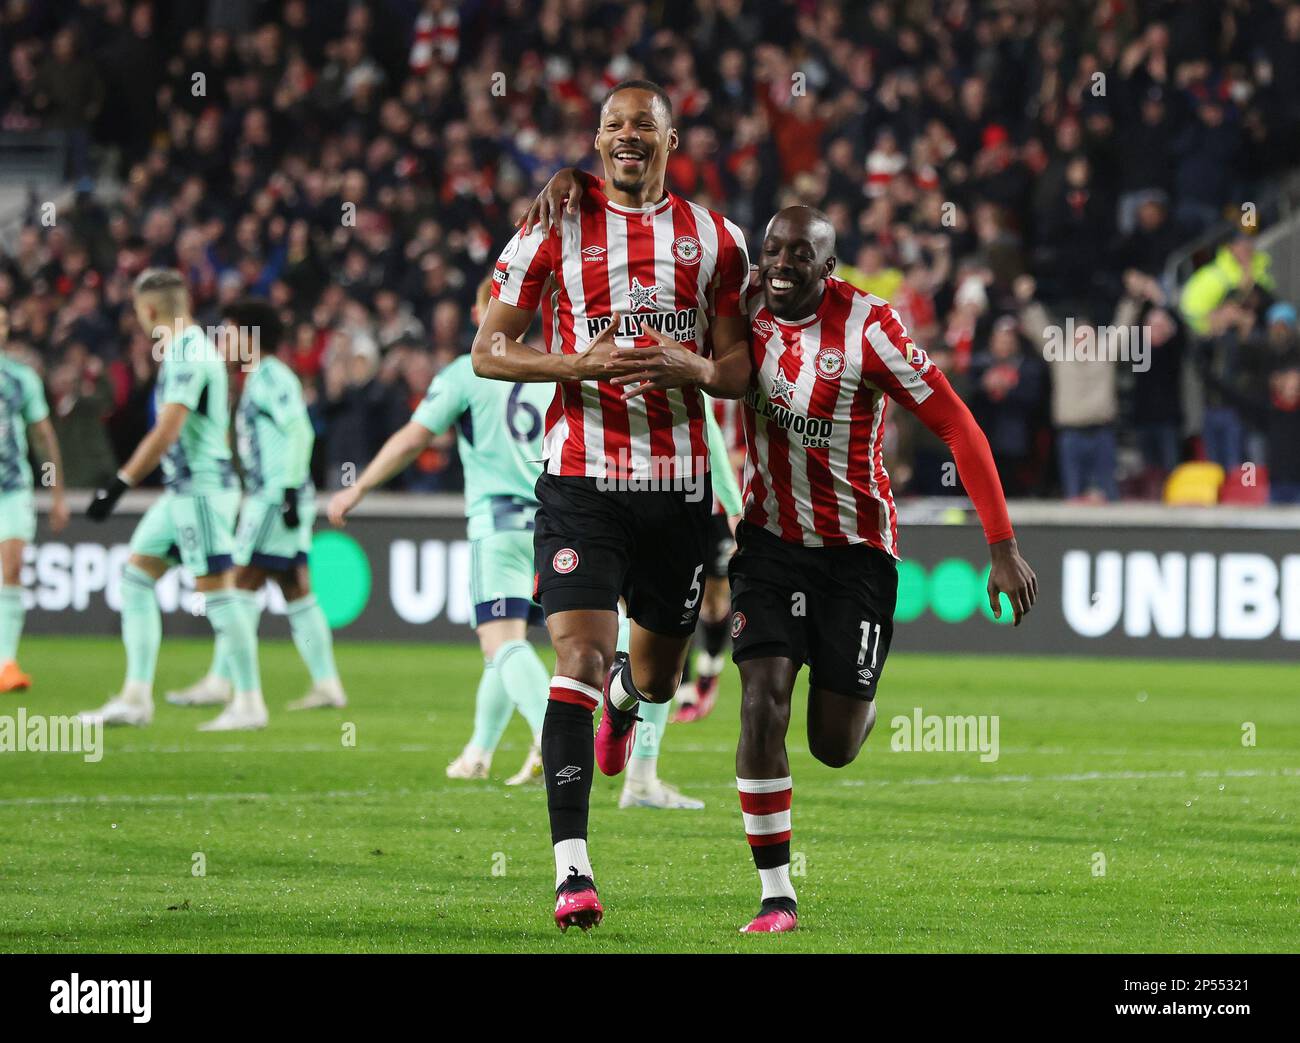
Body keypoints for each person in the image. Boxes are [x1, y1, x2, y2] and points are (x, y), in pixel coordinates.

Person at [471, 80, 751, 931]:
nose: (630, 136)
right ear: (597, 142)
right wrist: (575, 367)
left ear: (672, 139)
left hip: (677, 490)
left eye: (646, 125)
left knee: (654, 677)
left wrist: (696, 371)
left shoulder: (717, 240)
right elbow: (488, 349)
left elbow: (740, 369)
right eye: (616, 125)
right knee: (578, 662)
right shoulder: (553, 224)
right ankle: (572, 871)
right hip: (582, 483)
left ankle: (630, 707)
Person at [729, 207, 1036, 932]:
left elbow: (957, 423)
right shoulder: (738, 305)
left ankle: (855, 698)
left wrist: (1000, 544)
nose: (779, 264)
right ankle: (777, 894)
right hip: (768, 541)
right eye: (771, 249)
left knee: (832, 745)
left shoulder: (871, 328)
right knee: (760, 699)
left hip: (856, 553)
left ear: (829, 268)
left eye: (799, 255)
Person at [328, 280, 552, 787]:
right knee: (514, 644)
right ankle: (478, 752)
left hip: (497, 525)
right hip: (552, 526)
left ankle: (551, 734)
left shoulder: (467, 371)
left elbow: (415, 437)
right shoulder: (552, 368)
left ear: (480, 313)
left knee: (501, 644)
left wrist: (358, 487)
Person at [81, 268, 265, 731]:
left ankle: (248, 701)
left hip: (201, 492)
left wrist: (119, 484)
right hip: (186, 491)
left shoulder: (186, 353)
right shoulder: (190, 349)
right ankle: (136, 698)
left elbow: (168, 429)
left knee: (217, 594)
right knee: (136, 576)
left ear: (148, 310)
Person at [166, 298, 346, 713]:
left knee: (238, 584)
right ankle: (328, 685)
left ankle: (220, 681)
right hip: (279, 495)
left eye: (228, 332)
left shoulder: (271, 376)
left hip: (274, 498)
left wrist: (284, 490)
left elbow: (300, 430)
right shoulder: (259, 377)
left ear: (249, 336)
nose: (222, 340)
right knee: (295, 589)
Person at [0, 305, 70, 691]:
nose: (1, 330)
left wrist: (54, 490)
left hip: (11, 489)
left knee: (11, 570)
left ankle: (5, 663)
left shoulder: (19, 379)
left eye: (4, 324)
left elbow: (43, 437)